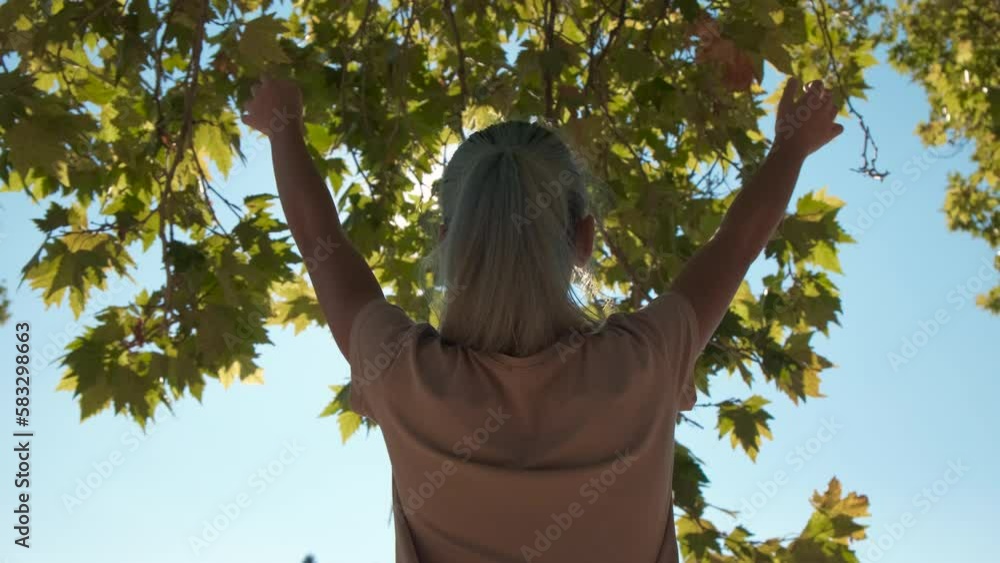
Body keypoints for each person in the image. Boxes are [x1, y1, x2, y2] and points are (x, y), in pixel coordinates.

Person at [242, 75, 842, 563]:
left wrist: (282, 130)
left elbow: (321, 240)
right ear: (583, 238)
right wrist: (791, 145)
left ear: (449, 242)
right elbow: (736, 244)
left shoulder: (402, 372)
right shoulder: (644, 363)